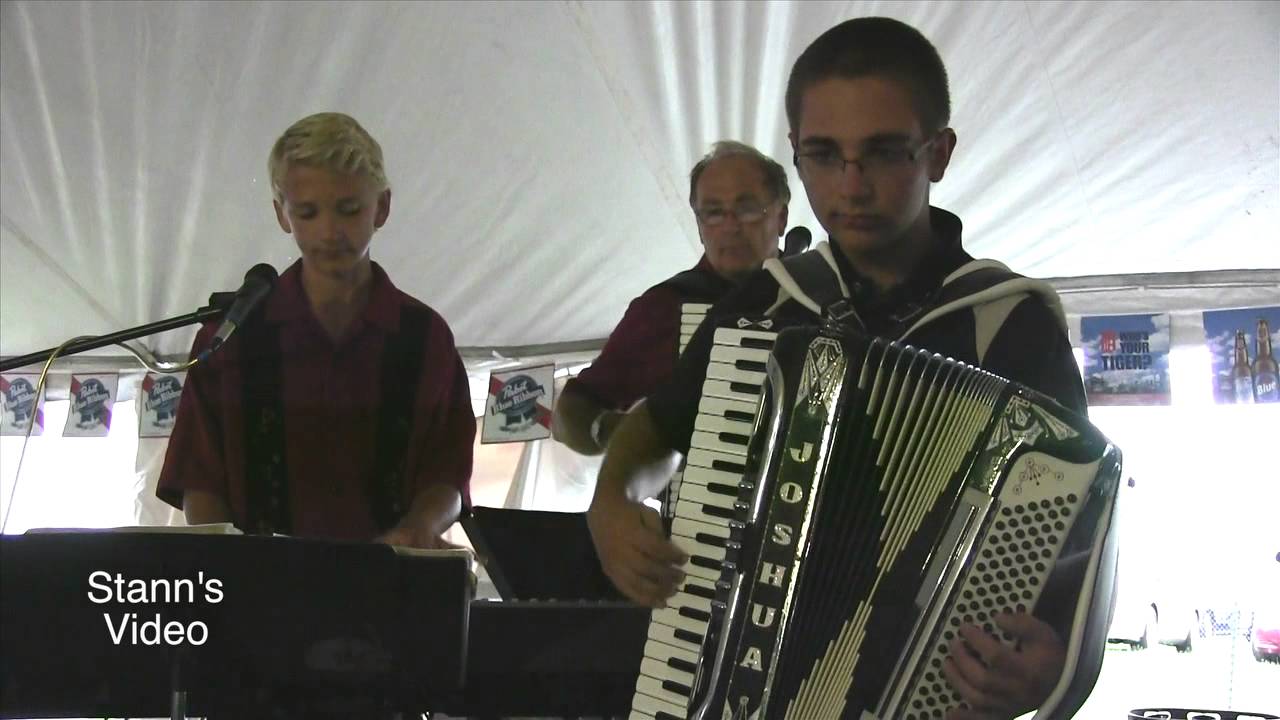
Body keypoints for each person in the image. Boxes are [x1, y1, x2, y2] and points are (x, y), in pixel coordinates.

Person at [586, 18, 1088, 720]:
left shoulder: (1010, 324)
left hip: (927, 696)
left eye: (883, 153)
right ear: (796, 157)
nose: (851, 186)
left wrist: (1054, 668)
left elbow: (1074, 550)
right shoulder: (764, 305)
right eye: (823, 156)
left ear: (937, 153)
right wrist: (610, 504)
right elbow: (656, 429)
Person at [156, 112, 474, 550]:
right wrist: (226, 565)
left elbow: (448, 472)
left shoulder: (424, 337)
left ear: (382, 206)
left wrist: (419, 527)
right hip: (259, 593)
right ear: (281, 215)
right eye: (307, 212)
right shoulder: (231, 335)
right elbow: (199, 481)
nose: (330, 231)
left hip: (388, 591)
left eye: (349, 209)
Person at [552, 141, 791, 456]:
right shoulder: (664, 308)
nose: (730, 227)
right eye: (714, 213)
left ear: (782, 217)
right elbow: (571, 410)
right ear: (699, 226)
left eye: (747, 209)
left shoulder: (821, 297)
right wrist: (614, 433)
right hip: (702, 502)